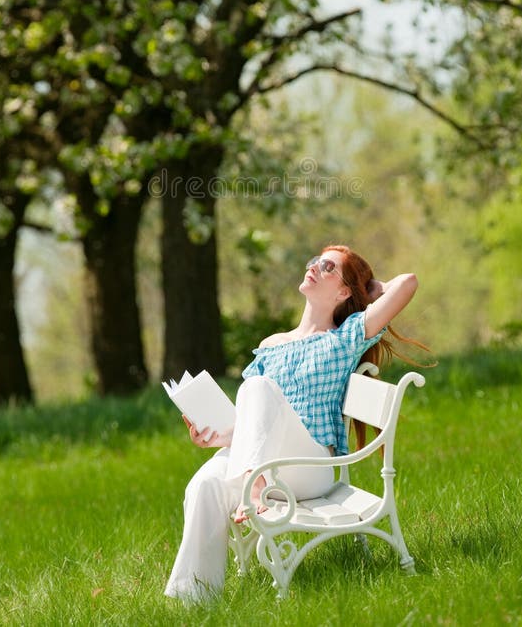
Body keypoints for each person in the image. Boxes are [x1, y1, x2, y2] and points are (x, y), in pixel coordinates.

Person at [164, 244, 423, 603]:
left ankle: (252, 489)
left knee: (257, 387)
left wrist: (367, 287)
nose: (314, 267)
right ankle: (192, 601)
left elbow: (407, 283)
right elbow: (259, 420)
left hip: (309, 465)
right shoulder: (271, 345)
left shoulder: (344, 336)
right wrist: (219, 437)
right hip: (268, 462)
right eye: (315, 261)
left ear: (344, 291)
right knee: (203, 484)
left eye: (328, 267)